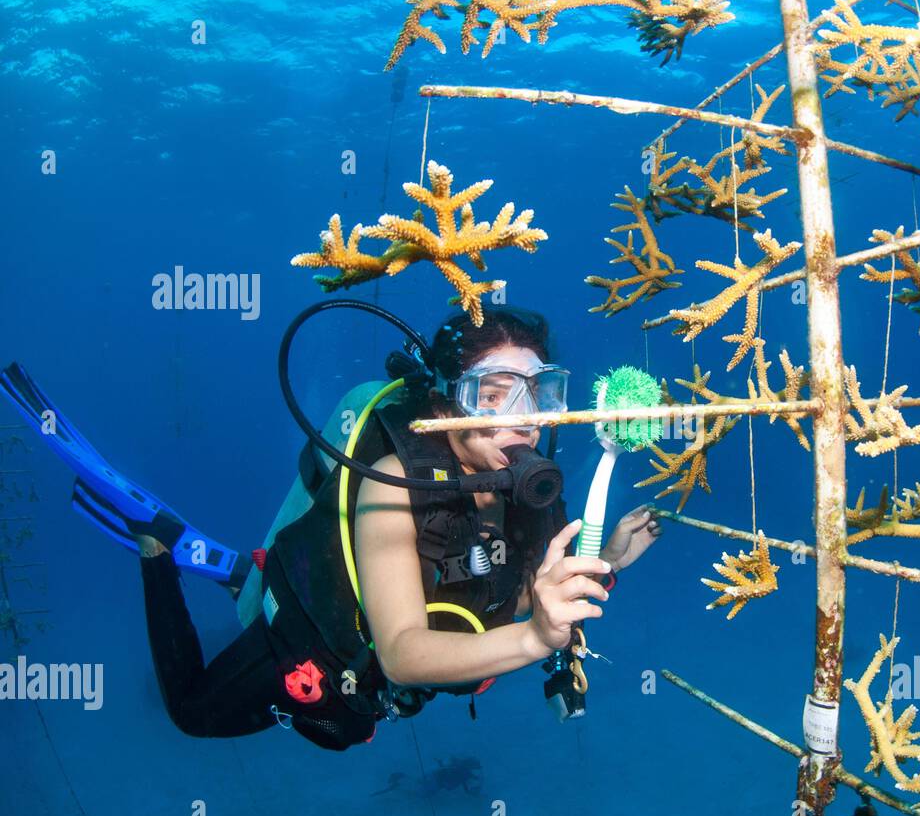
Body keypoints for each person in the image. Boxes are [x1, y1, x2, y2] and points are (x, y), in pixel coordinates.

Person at [2, 307, 661, 750]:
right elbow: (403, 651)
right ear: (442, 403)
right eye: (491, 396)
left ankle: (239, 568)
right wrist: (539, 637)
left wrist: (606, 561)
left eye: (541, 392)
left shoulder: (533, 489)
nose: (525, 418)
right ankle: (156, 549)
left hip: (392, 671)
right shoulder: (387, 486)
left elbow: (499, 598)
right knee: (192, 714)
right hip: (321, 631)